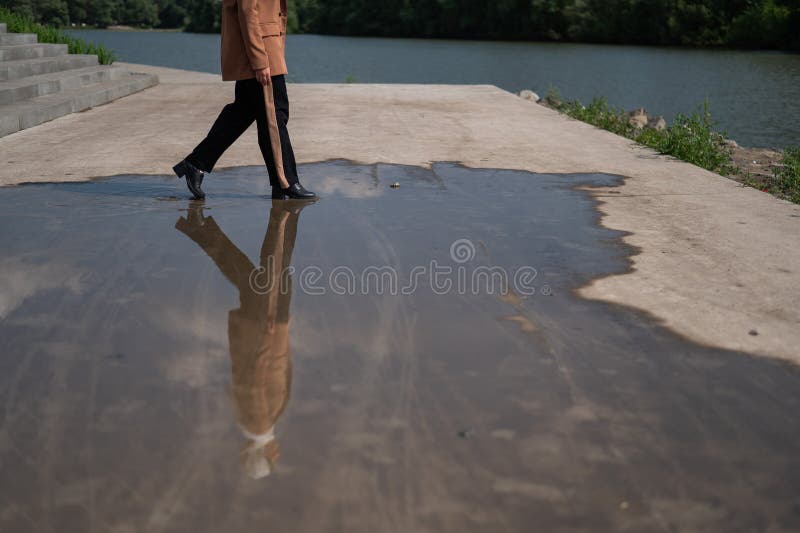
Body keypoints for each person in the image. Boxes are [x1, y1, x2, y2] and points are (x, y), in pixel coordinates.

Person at [175, 199, 310, 478]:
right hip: (272, 332)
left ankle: (204, 229)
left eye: (274, 460)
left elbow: (256, 379)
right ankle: (201, 230)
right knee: (257, 277)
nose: (279, 455)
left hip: (265, 331)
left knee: (269, 272)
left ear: (264, 456)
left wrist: (266, 334)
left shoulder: (258, 423)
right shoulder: (258, 423)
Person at [172, 0, 315, 200]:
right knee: (275, 115)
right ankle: (287, 181)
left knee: (243, 112)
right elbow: (248, 13)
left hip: (263, 48)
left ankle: (196, 163)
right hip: (261, 52)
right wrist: (259, 60)